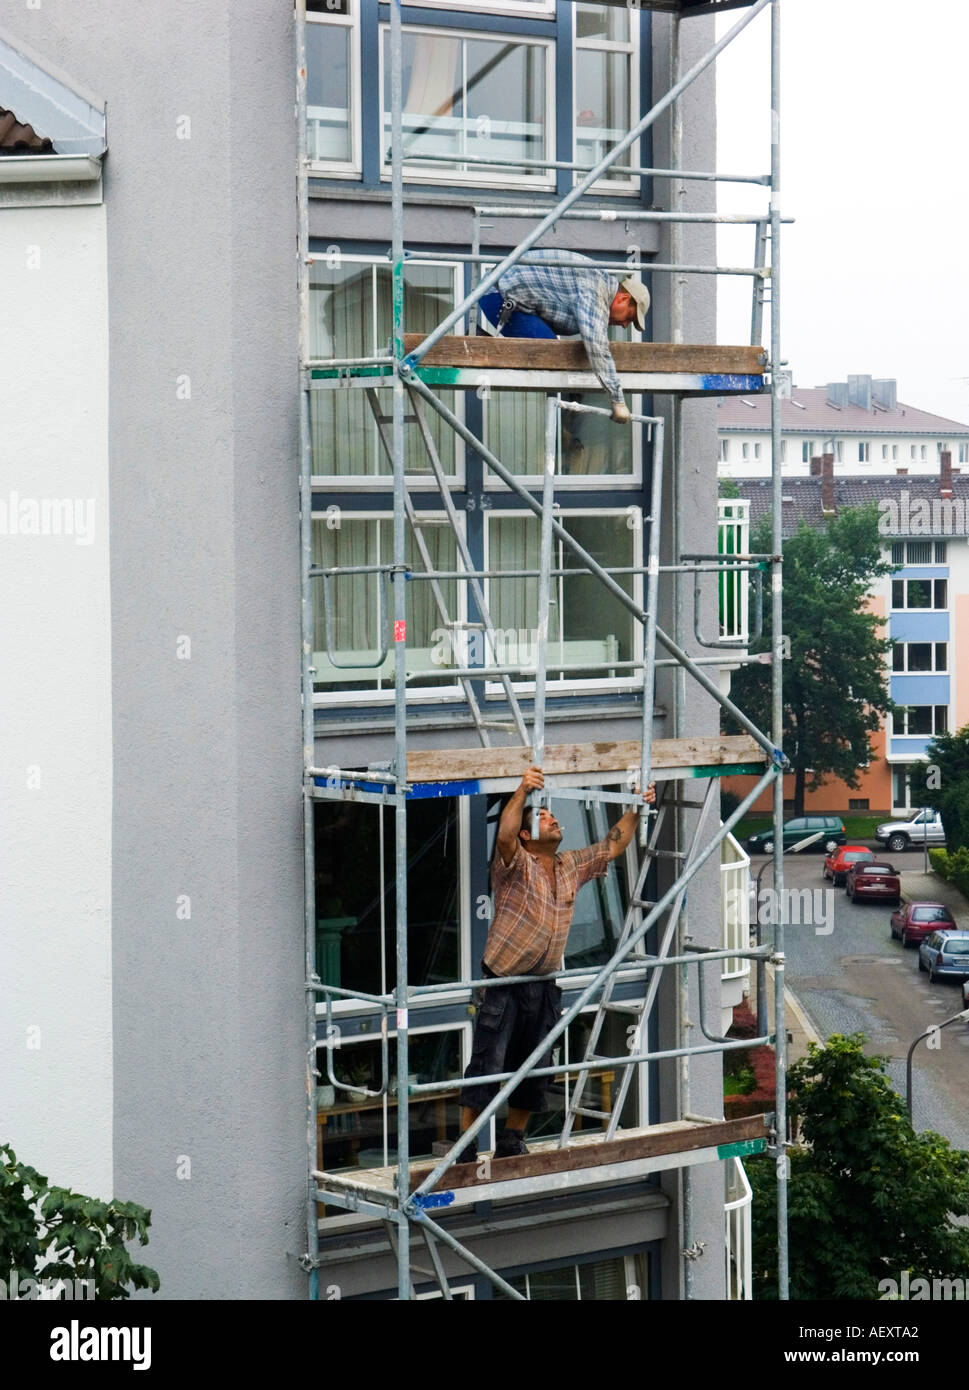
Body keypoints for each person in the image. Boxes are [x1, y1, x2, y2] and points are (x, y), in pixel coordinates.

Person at [458, 767, 655, 1163]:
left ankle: (512, 1139)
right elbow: (504, 834)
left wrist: (636, 806)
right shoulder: (514, 865)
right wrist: (522, 790)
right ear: (528, 835)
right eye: (543, 816)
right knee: (489, 1063)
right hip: (503, 982)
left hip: (543, 983)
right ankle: (465, 1147)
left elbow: (611, 846)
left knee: (536, 1065)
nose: (553, 818)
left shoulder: (568, 866)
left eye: (552, 814)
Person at [477, 248, 650, 425]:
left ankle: (484, 343)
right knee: (550, 355)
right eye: (629, 317)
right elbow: (596, 344)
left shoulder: (597, 283)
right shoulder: (595, 289)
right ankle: (481, 347)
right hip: (498, 294)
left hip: (511, 297)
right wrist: (617, 400)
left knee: (553, 351)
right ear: (622, 298)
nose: (624, 325)